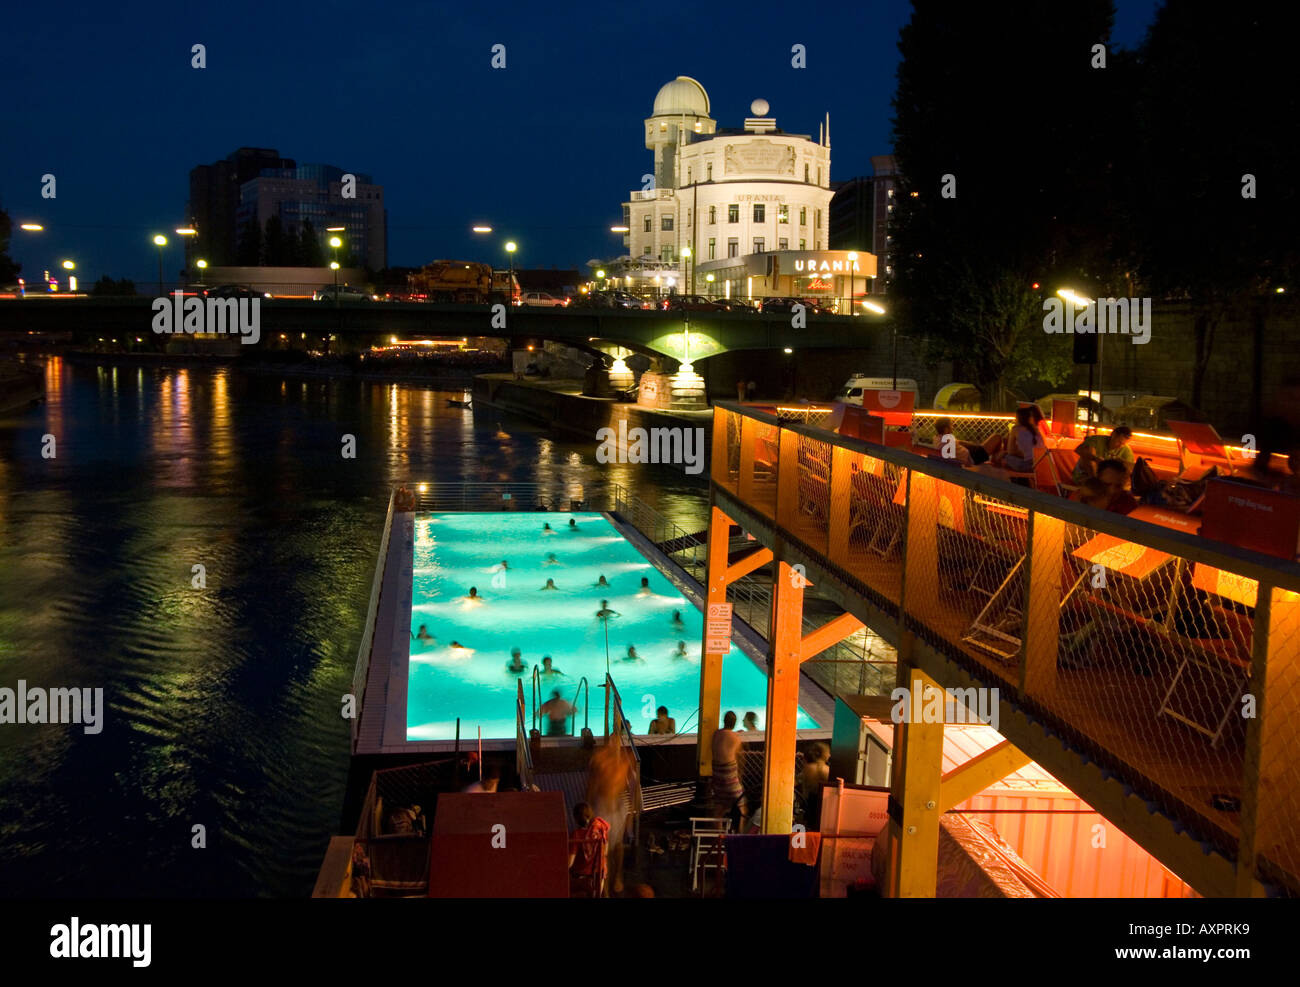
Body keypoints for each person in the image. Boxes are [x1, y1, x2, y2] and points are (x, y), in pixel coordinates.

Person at [587, 734, 635, 894]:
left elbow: (632, 785)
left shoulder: (625, 760)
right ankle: (605, 885)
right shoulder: (600, 759)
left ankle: (618, 876)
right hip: (602, 804)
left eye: (617, 741)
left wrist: (632, 810)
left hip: (618, 805)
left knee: (618, 845)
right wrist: (589, 808)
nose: (614, 744)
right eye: (612, 741)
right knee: (603, 848)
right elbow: (592, 784)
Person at [568, 801, 611, 897]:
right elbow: (605, 852)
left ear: (575, 818)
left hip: (581, 880)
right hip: (598, 879)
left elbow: (569, 863)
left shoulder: (576, 835)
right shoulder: (600, 831)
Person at [711, 711, 745, 829]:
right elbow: (740, 758)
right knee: (741, 806)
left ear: (724, 721)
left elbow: (724, 739)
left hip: (717, 777)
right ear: (735, 724)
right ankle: (740, 835)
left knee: (719, 809)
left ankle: (719, 836)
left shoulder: (716, 734)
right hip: (729, 777)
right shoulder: (736, 738)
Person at [1001, 405, 1045, 477]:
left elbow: (1010, 451)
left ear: (1019, 419)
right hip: (1041, 465)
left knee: (1004, 457)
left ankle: (996, 477)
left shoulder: (1016, 429)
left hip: (1027, 466)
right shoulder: (1037, 429)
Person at [800, 742, 830, 829]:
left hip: (809, 802)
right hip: (823, 803)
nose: (829, 755)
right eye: (828, 753)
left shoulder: (807, 768)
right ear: (823, 754)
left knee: (809, 826)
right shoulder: (827, 770)